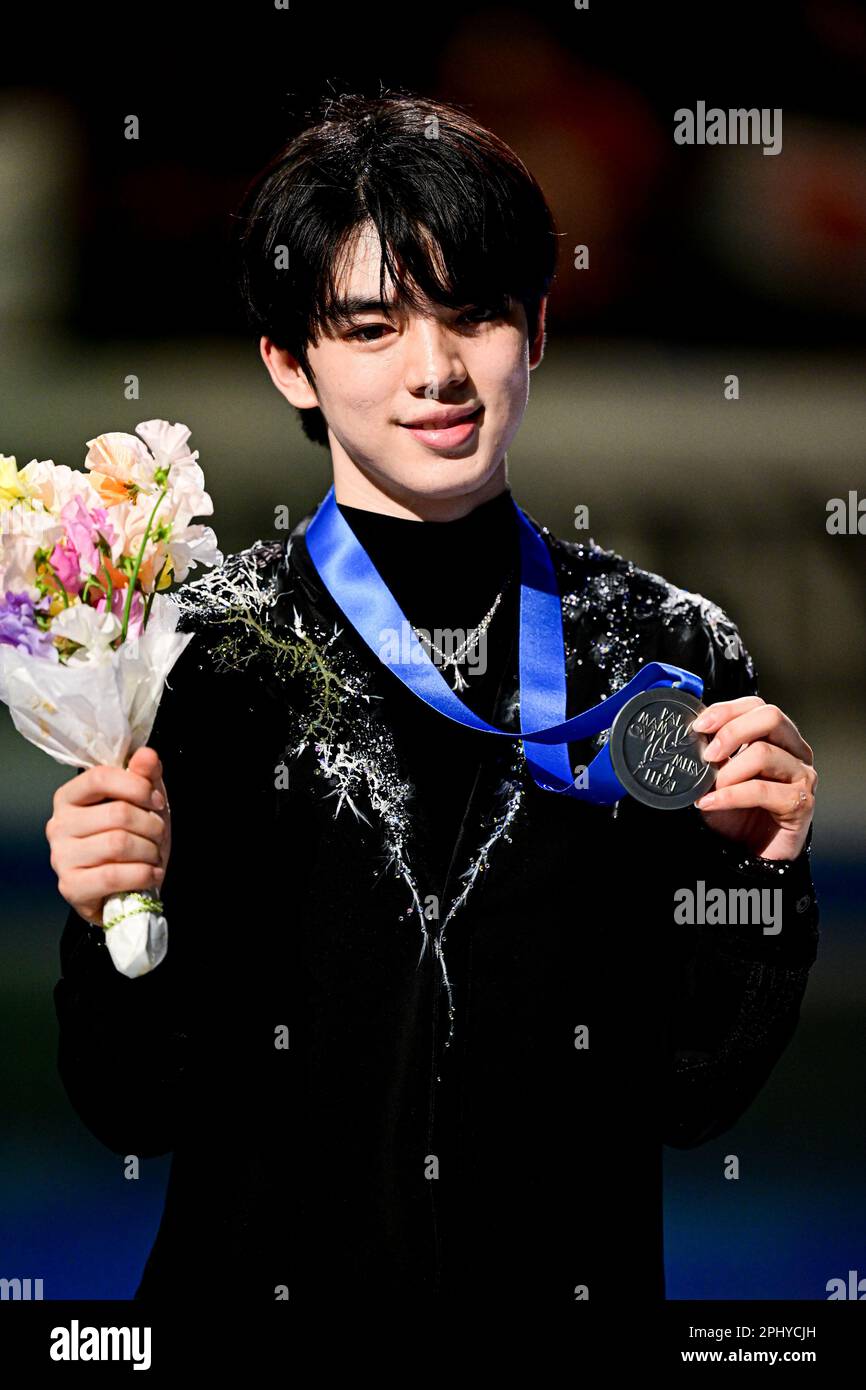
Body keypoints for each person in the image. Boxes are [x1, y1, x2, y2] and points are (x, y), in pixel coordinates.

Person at [48, 92, 819, 1328]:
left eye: (476, 314)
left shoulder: (662, 653)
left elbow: (692, 1094)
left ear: (539, 327)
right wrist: (106, 920)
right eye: (370, 326)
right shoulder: (193, 659)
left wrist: (760, 886)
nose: (435, 370)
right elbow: (132, 1106)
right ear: (287, 359)